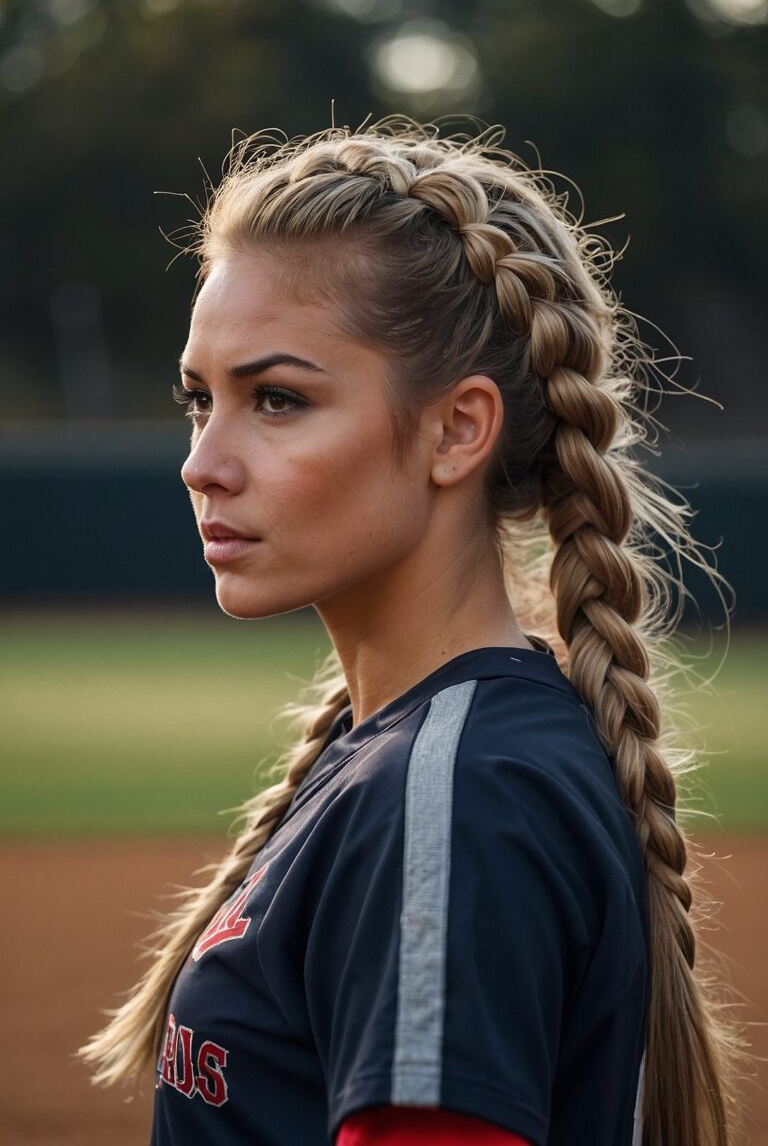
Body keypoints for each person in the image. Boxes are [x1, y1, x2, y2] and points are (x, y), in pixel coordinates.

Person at [80, 119, 739, 1145]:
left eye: (278, 399)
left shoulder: (460, 795)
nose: (202, 463)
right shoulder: (418, 750)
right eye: (200, 400)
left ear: (457, 430)